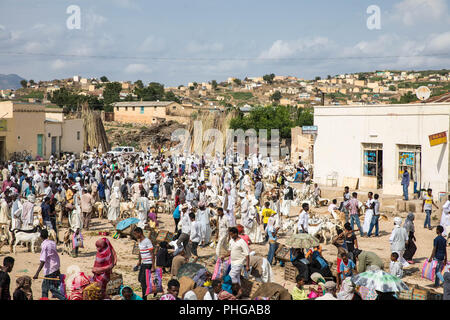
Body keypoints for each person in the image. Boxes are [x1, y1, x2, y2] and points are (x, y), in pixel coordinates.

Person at [33, 229, 66, 300]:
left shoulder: (44, 245)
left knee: (46, 288)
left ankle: (63, 298)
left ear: (41, 237)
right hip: (56, 266)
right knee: (51, 286)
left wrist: (37, 273)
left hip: (50, 269)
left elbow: (43, 260)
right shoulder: (52, 242)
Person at [133, 227, 155, 299]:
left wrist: (153, 266)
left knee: (143, 282)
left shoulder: (147, 241)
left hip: (148, 263)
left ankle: (144, 297)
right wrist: (139, 261)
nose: (135, 236)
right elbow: (140, 252)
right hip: (143, 263)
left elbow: (152, 254)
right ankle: (152, 287)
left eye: (136, 234)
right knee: (140, 279)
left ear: (140, 233)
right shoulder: (140, 241)